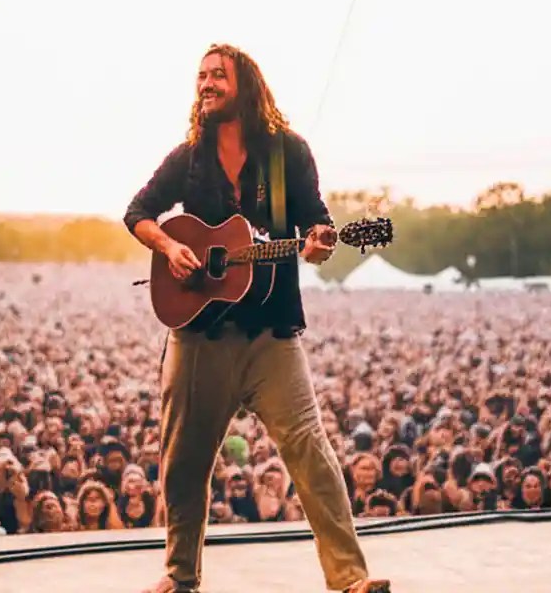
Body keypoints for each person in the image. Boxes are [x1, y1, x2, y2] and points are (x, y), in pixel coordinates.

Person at [124, 43, 390, 593]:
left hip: (272, 332)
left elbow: (316, 222)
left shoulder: (287, 153)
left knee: (310, 449)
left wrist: (320, 244)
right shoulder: (188, 158)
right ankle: (179, 575)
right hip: (199, 334)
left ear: (246, 84)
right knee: (183, 462)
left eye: (217, 75)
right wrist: (170, 248)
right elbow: (138, 214)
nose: (206, 84)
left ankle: (350, 578)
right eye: (200, 76)